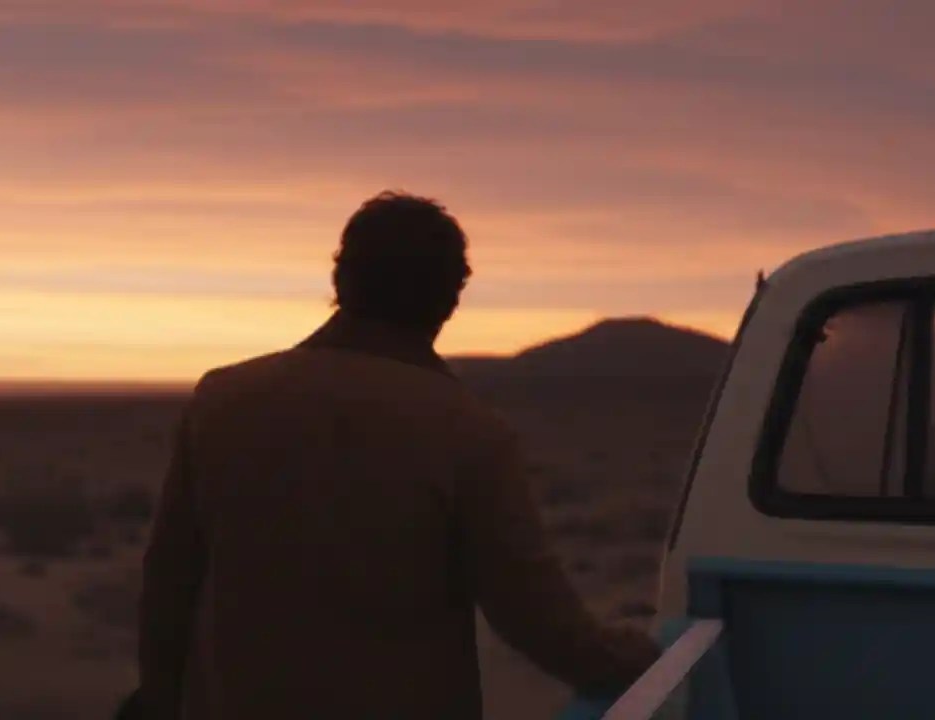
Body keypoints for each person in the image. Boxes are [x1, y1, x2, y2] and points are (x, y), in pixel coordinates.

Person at [137, 191, 660, 719]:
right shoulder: (467, 430)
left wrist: (158, 698)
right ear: (450, 298)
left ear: (340, 281)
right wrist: (628, 659)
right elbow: (532, 614)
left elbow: (168, 581)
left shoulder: (222, 399)